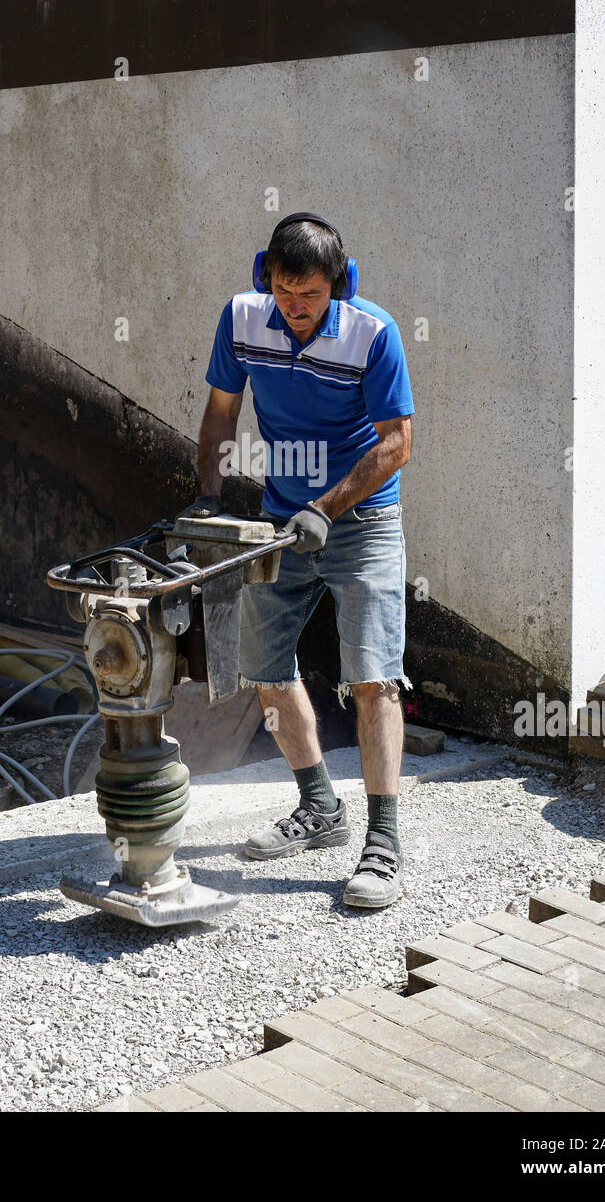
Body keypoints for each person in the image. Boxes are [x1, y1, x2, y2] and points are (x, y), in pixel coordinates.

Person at [181, 212, 414, 909]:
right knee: (263, 667)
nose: (296, 307)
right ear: (266, 278)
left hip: (363, 519)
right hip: (282, 520)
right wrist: (209, 499)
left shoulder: (376, 332)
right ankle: (320, 808)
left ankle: (383, 842)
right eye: (285, 291)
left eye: (310, 294)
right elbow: (222, 412)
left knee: (373, 677)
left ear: (338, 286)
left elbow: (397, 443)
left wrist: (328, 509)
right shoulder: (243, 318)